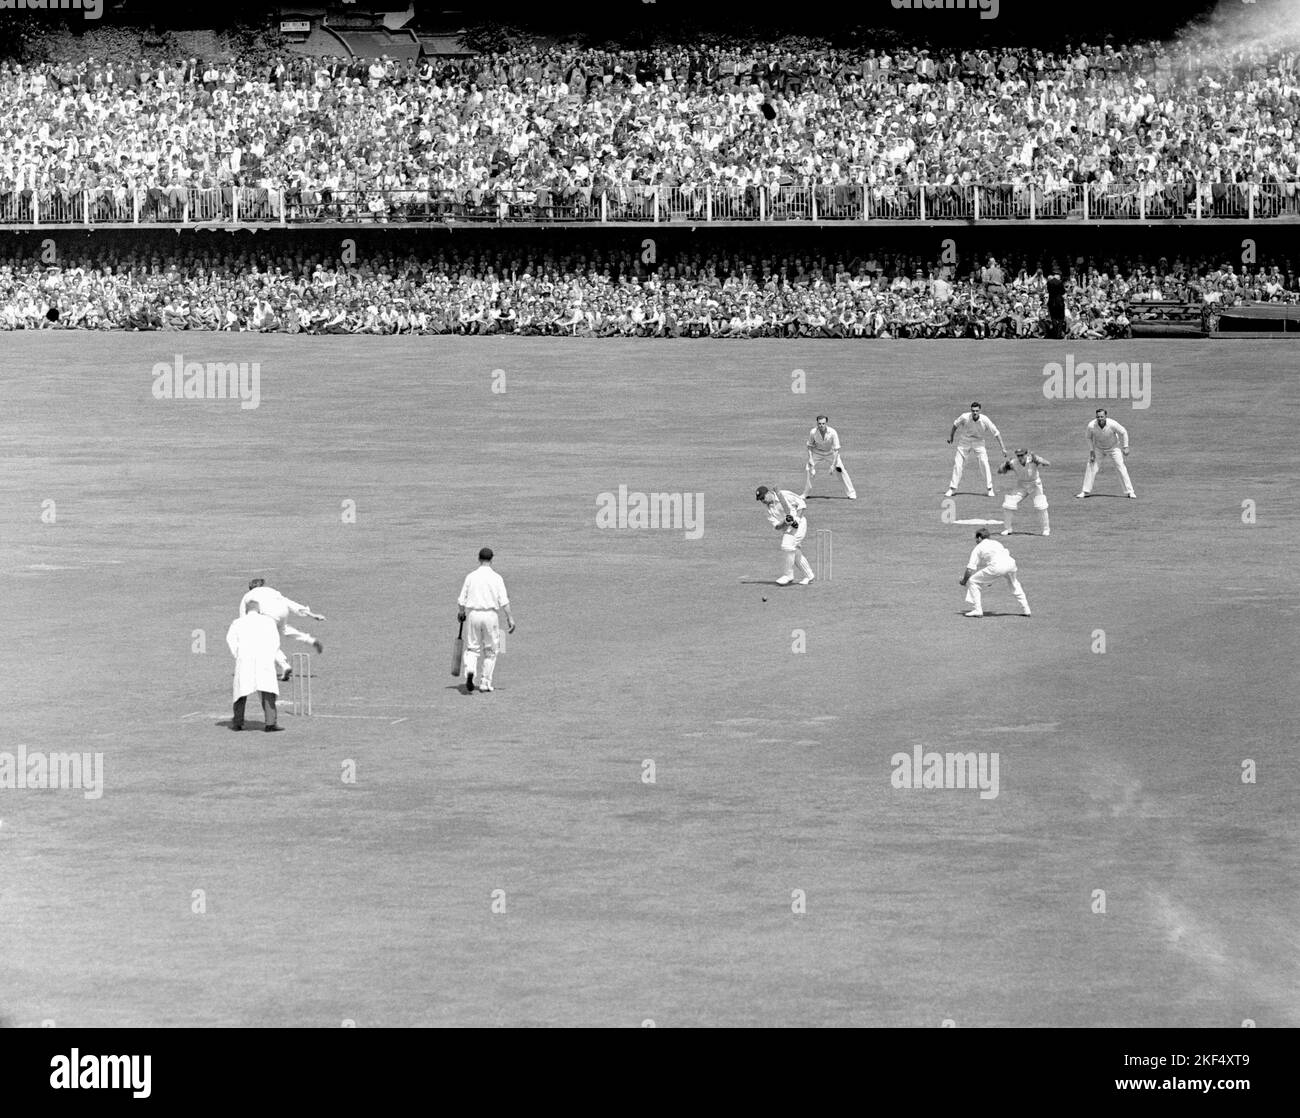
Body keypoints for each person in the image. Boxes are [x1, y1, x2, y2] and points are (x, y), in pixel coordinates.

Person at [239, 578, 326, 678]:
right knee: (283, 629)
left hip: (269, 615)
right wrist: (312, 615)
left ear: (250, 588)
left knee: (267, 643)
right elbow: (290, 603)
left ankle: (284, 666)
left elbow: (243, 616)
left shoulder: (248, 596)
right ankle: (310, 640)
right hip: (282, 611)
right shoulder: (272, 591)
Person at [456, 547, 515, 694]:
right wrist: (510, 618)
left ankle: (470, 670)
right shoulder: (497, 577)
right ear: (491, 560)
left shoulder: (471, 576)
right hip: (491, 616)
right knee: (491, 650)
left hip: (473, 614)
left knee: (472, 648)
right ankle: (485, 683)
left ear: (479, 559)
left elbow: (461, 600)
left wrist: (461, 612)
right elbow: (504, 601)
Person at [225, 599, 285, 731]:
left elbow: (231, 640)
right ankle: (270, 723)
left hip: (245, 659)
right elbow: (275, 641)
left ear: (246, 610)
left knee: (240, 691)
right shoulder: (268, 622)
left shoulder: (238, 622)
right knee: (268, 690)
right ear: (259, 609)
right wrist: (271, 654)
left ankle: (238, 722)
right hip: (264, 659)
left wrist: (238, 654)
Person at [958, 529, 1031, 618]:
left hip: (997, 567)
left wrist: (964, 581)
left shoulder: (978, 548)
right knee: (1014, 583)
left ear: (980, 538)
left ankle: (977, 610)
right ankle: (1026, 609)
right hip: (1011, 564)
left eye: (976, 539)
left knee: (972, 581)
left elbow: (970, 569)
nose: (976, 541)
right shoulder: (996, 543)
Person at [755, 484, 814, 585]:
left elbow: (802, 504)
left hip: (799, 525)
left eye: (763, 498)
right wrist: (785, 521)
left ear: (769, 493)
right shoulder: (768, 510)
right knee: (794, 553)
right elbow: (777, 526)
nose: (762, 501)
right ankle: (809, 575)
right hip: (788, 528)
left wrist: (797, 519)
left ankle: (788, 575)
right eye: (760, 500)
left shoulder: (784, 495)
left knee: (786, 546)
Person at [945, 401, 1007, 497]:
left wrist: (1003, 448)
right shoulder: (965, 417)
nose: (975, 413)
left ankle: (990, 489)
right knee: (958, 464)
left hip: (979, 443)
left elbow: (996, 433)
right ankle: (952, 489)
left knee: (984, 463)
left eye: (977, 411)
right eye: (973, 411)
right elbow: (955, 425)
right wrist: (951, 437)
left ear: (980, 411)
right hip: (964, 442)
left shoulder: (985, 420)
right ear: (971, 410)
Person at [1075, 408, 1136, 498]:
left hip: (1114, 448)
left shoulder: (1112, 424)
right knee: (1091, 466)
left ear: (1105, 416)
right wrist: (1092, 451)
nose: (1100, 418)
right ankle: (1085, 491)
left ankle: (1130, 492)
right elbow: (1088, 437)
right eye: (1098, 417)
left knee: (1121, 467)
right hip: (1098, 449)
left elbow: (1123, 432)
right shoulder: (1091, 425)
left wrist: (1126, 447)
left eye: (1102, 416)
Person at [800, 414, 857, 500]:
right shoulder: (813, 432)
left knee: (841, 469)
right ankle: (805, 493)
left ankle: (851, 493)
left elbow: (837, 449)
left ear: (826, 423)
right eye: (819, 423)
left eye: (823, 423)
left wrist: (833, 465)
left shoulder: (833, 432)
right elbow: (809, 446)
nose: (821, 425)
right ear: (817, 423)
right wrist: (810, 459)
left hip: (831, 453)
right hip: (817, 452)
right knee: (808, 468)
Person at [998, 448, 1052, 536]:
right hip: (1021, 485)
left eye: (1022, 455)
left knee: (1041, 505)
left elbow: (1047, 463)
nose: (1020, 457)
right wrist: (1005, 465)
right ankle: (1008, 529)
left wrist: (1039, 460)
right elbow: (1000, 471)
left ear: (1026, 455)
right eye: (1018, 455)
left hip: (1035, 484)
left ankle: (1046, 529)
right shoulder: (1013, 462)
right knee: (1008, 504)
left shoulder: (1033, 460)